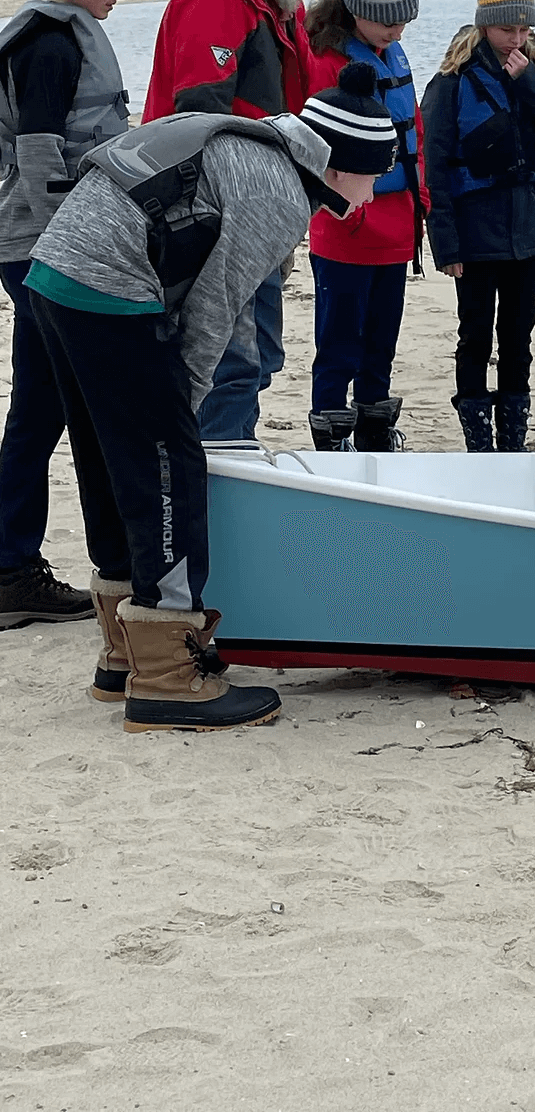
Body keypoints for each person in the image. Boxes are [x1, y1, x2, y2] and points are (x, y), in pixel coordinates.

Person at [23, 67, 398, 731]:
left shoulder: (250, 143)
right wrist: (181, 417)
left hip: (55, 272)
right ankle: (169, 674)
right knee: (167, 471)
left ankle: (123, 654)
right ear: (340, 167)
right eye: (377, 176)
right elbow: (215, 312)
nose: (376, 194)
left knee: (110, 464)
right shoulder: (280, 191)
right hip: (110, 283)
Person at [143, 0, 358, 442]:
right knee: (229, 365)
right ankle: (216, 485)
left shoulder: (274, 0)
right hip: (217, 220)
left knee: (255, 358)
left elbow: (294, 105)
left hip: (253, 213)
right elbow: (198, 125)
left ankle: (219, 472)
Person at [0, 0, 134, 630]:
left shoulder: (55, 32)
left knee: (43, 406)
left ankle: (12, 564)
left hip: (34, 248)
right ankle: (23, 565)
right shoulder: (51, 42)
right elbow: (40, 150)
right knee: (66, 406)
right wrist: (68, 252)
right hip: (44, 251)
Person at [420, 0, 535, 452]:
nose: (517, 38)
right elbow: (433, 164)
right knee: (475, 336)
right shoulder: (450, 81)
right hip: (475, 230)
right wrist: (445, 243)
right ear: (485, 25)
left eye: (525, 28)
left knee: (518, 338)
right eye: (507, 28)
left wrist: (528, 80)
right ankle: (477, 444)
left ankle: (513, 440)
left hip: (529, 227)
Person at [304, 0, 428, 452]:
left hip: (397, 226)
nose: (398, 33)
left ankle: (376, 427)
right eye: (388, 24)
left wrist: (422, 194)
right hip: (346, 226)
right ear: (360, 11)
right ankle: (331, 434)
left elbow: (413, 124)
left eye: (403, 24)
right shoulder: (328, 62)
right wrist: (342, 210)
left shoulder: (391, 53)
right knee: (338, 343)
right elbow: (313, 145)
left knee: (381, 340)